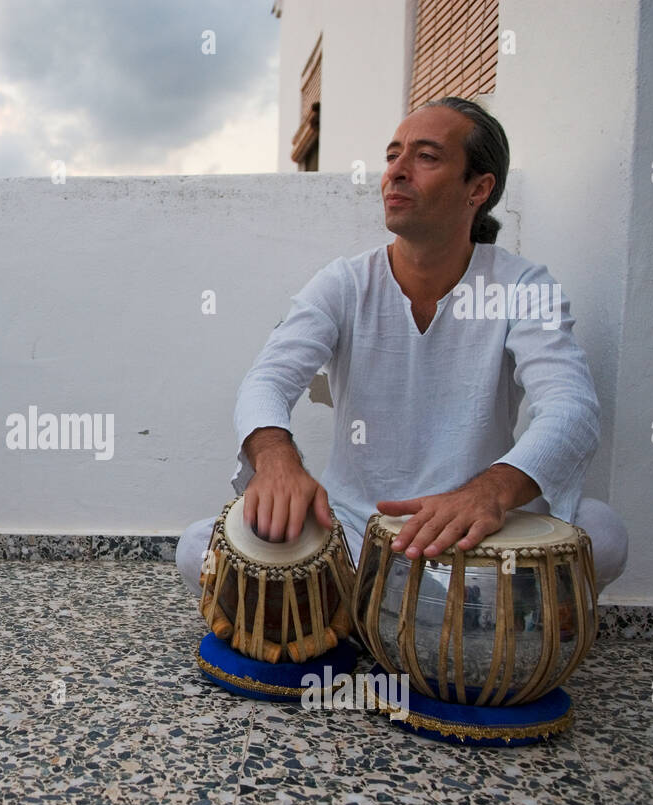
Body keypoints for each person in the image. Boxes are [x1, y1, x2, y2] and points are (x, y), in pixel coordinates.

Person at [176, 96, 627, 601]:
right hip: (351, 533)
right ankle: (404, 612)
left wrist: (490, 492)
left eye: (426, 157)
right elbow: (267, 380)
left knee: (602, 533)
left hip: (473, 530)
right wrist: (277, 458)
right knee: (199, 547)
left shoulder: (523, 286)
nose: (396, 172)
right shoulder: (345, 283)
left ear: (478, 188)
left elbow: (571, 408)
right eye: (393, 155)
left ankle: (367, 615)